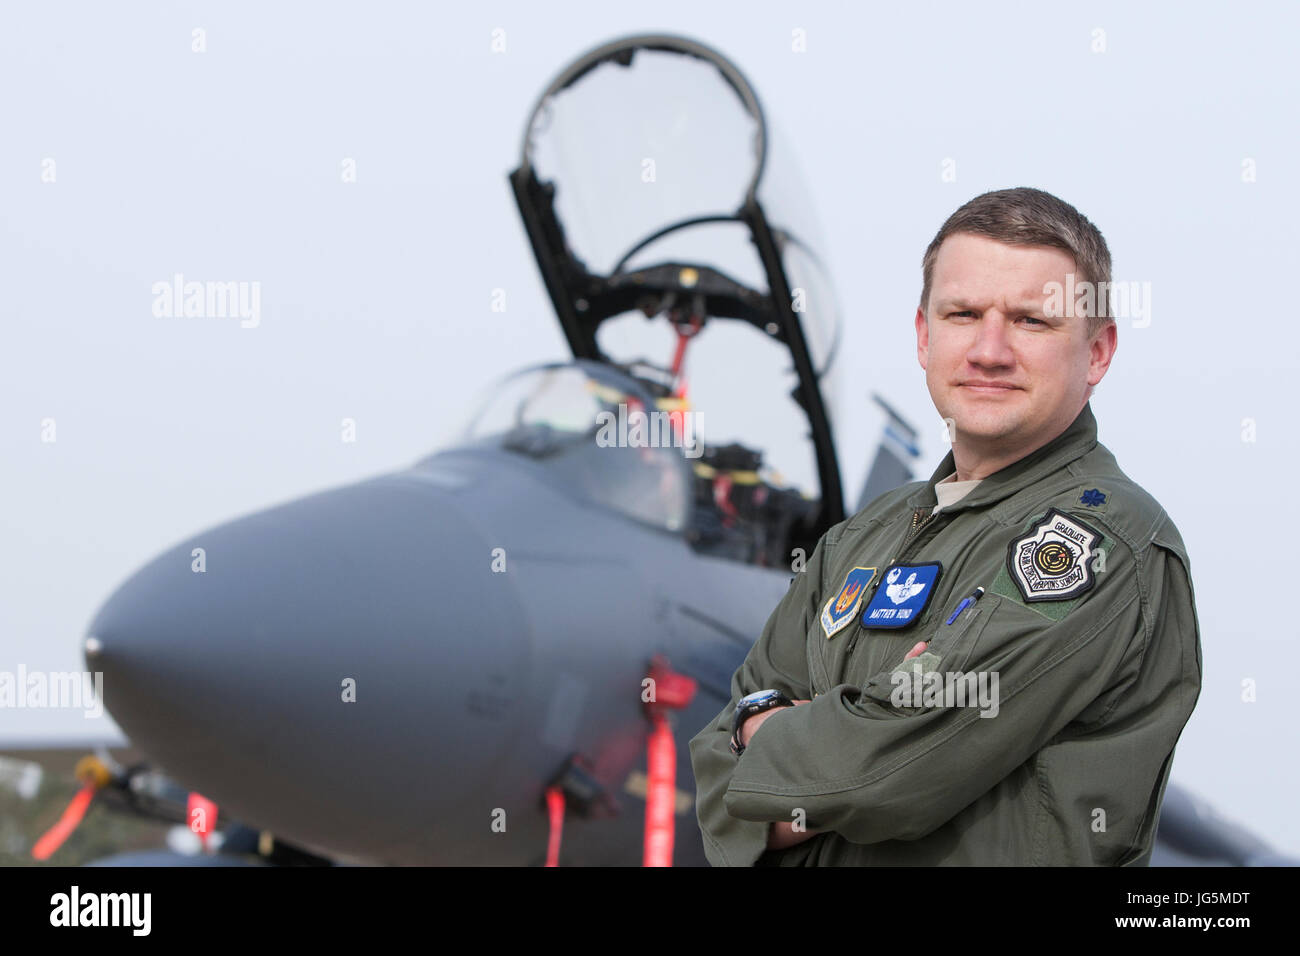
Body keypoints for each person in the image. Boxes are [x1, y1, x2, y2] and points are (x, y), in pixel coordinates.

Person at [688, 187, 1202, 865]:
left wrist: (777, 732)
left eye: (1030, 322)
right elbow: (715, 778)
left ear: (1098, 351)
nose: (990, 351)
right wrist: (849, 727)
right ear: (925, 337)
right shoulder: (858, 539)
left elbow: (882, 777)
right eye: (963, 314)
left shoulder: (1100, 543)